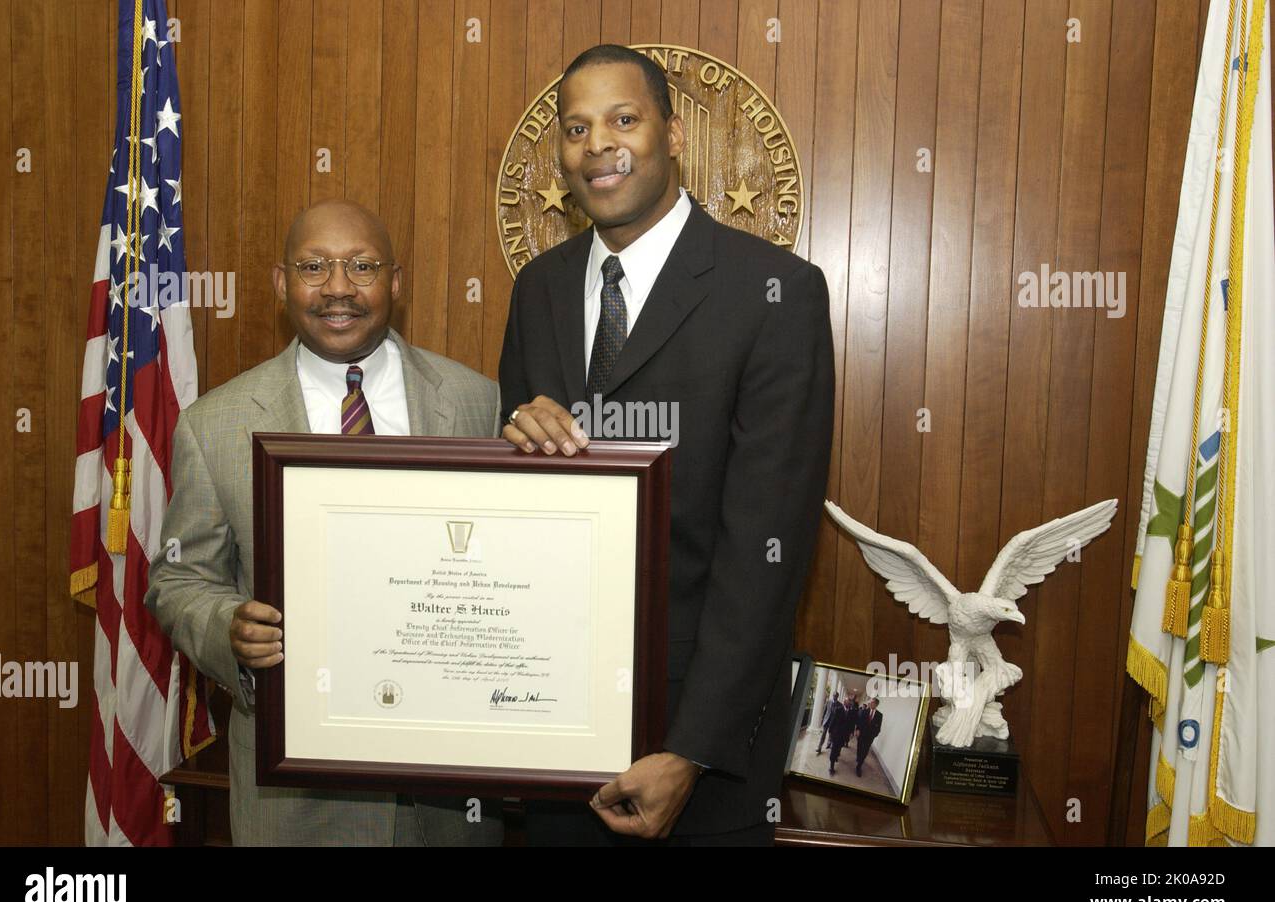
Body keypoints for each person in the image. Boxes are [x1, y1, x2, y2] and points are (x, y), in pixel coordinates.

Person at [498, 45, 834, 845]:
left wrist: (688, 750)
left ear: (674, 134)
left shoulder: (772, 293)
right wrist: (515, 441)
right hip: (551, 737)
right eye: (576, 128)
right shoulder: (538, 288)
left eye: (624, 119)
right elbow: (520, 508)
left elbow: (765, 552)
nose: (598, 145)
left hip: (701, 760)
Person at [145, 199, 504, 846]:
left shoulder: (475, 399)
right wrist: (229, 629)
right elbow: (178, 580)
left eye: (361, 266)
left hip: (447, 804)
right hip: (297, 805)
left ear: (395, 282)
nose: (338, 287)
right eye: (314, 266)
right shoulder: (215, 423)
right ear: (282, 283)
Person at [855, 697, 884, 777]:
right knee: (859, 748)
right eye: (870, 702)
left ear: (876, 704)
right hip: (861, 735)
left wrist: (874, 735)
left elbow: (878, 728)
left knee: (865, 752)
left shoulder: (879, 715)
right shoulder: (864, 711)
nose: (870, 703)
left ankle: (859, 766)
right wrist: (857, 730)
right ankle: (858, 758)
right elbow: (859, 721)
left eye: (872, 702)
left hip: (869, 737)